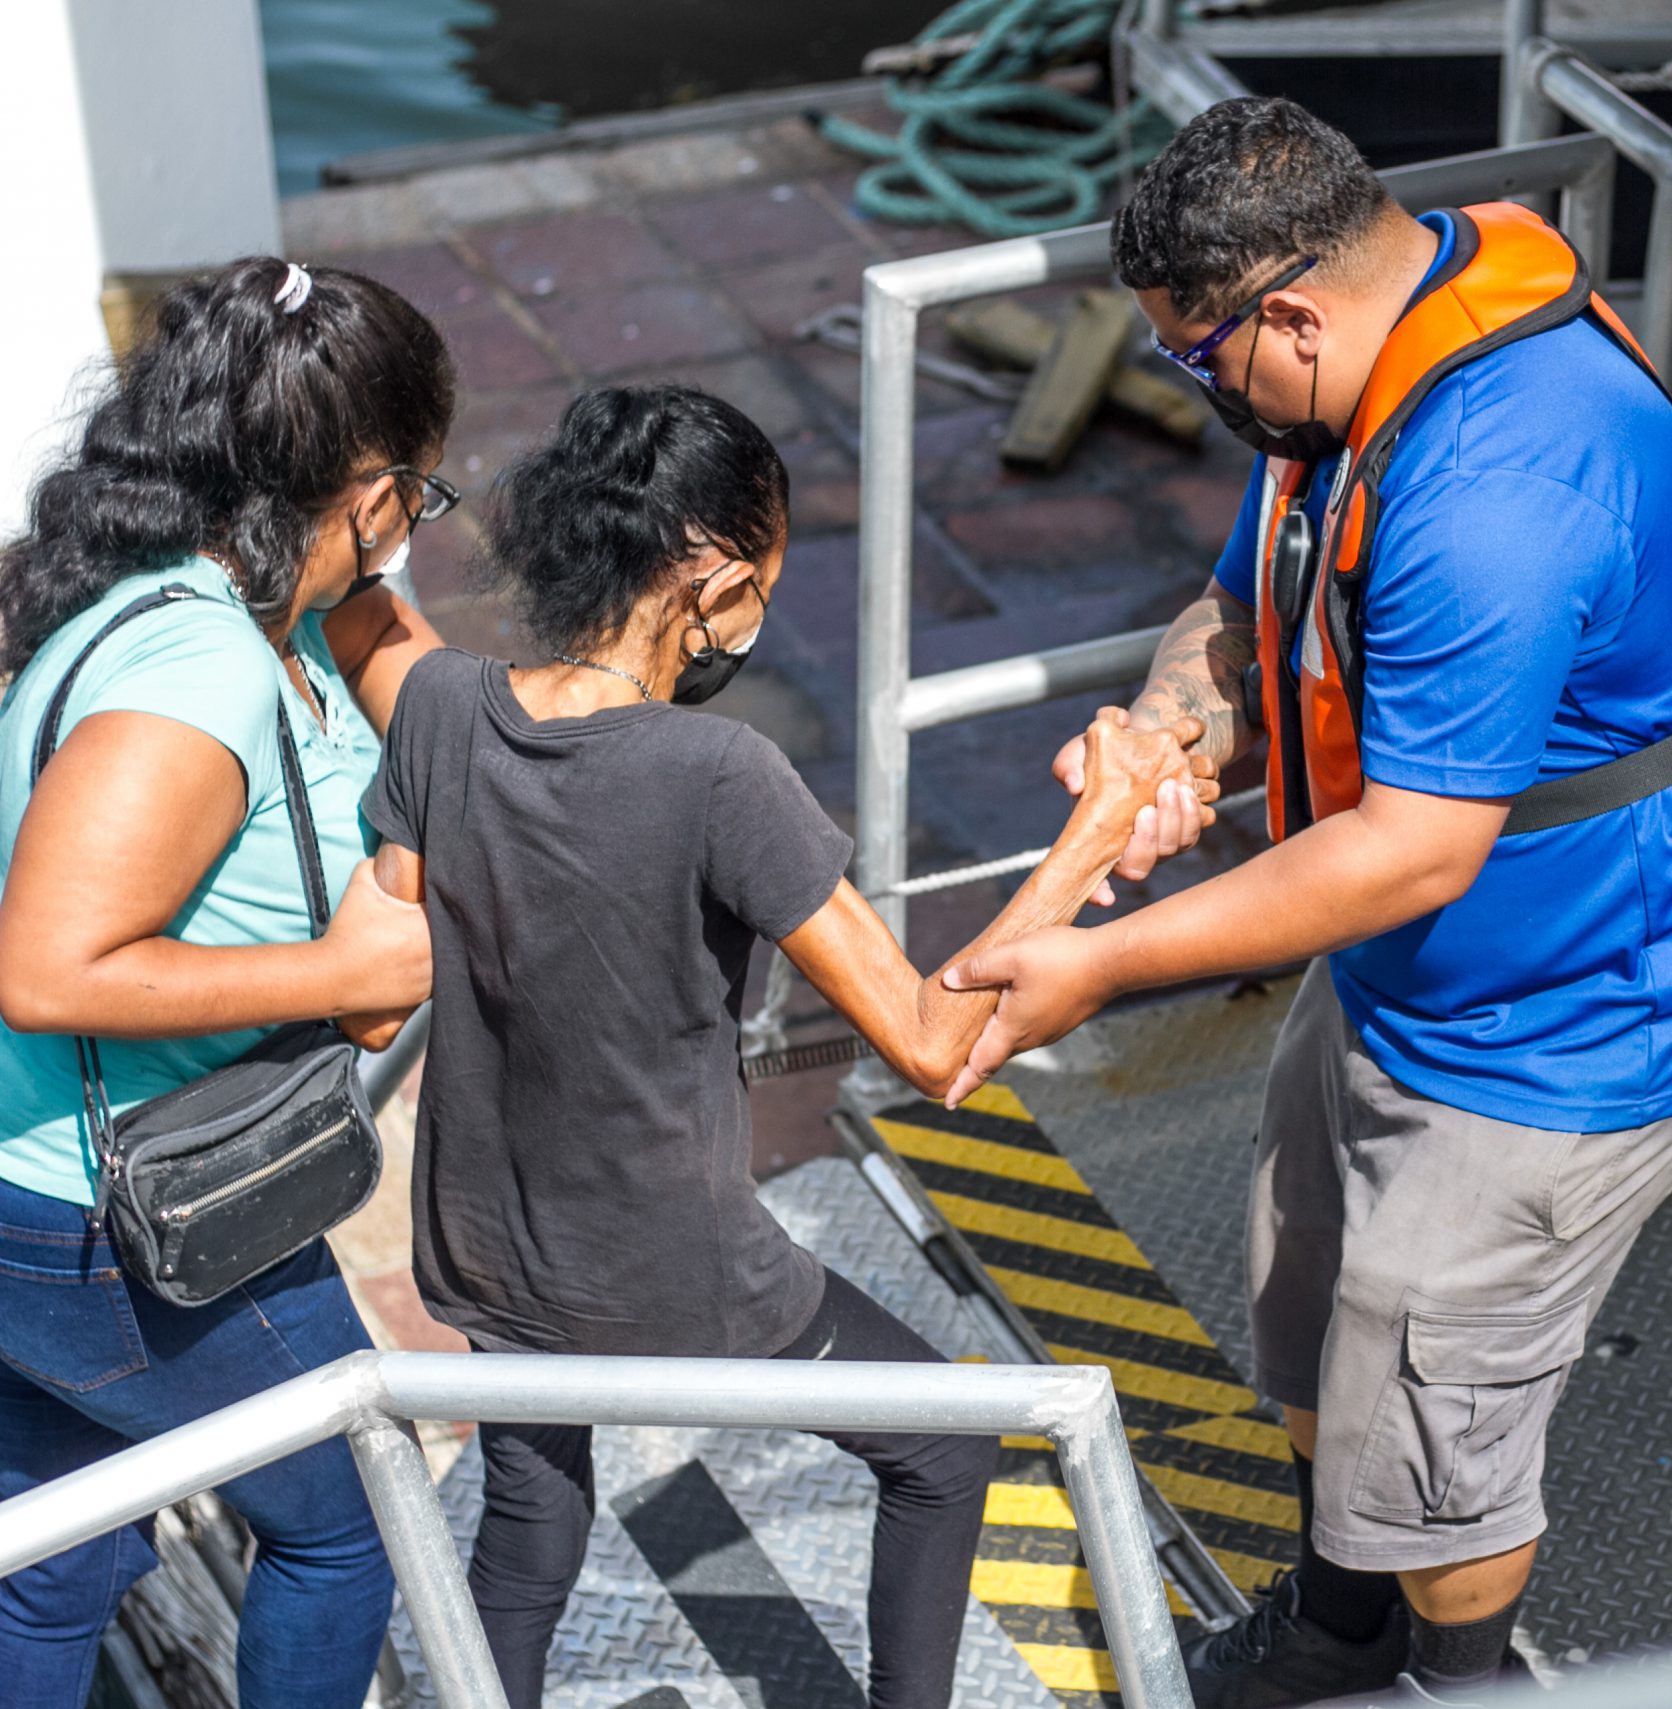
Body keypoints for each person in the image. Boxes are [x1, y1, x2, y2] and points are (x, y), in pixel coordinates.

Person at [943, 99, 1672, 1706]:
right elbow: (1242, 595)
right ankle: (1343, 1626)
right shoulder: (1359, 381)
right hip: (1398, 977)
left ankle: (1454, 1675)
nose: (1201, 401)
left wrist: (1099, 964)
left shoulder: (1497, 492)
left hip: (1570, 1024)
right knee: (1314, 1291)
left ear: (1289, 312)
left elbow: (1411, 847)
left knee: (1440, 1414)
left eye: (1199, 364)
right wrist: (1171, 723)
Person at [360, 382, 1214, 1709]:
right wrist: (1093, 834)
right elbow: (937, 1045)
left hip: (488, 1247)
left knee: (528, 1535)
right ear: (706, 578)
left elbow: (385, 965)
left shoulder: (438, 708)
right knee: (943, 1451)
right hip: (677, 1272)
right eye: (762, 577)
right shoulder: (721, 776)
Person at [0, 258, 451, 1709]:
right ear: (369, 491)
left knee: (56, 1557)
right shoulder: (196, 679)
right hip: (110, 1215)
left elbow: (432, 693)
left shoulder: (246, 591)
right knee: (349, 1523)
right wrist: (348, 961)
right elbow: (47, 963)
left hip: (57, 1194)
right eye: (419, 500)